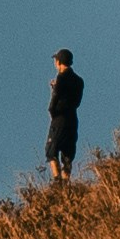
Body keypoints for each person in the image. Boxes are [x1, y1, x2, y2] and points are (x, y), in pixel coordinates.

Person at [46, 50, 84, 183]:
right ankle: (66, 182)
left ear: (59, 62)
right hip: (72, 118)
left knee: (51, 150)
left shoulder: (61, 78)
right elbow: (77, 102)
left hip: (60, 118)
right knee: (68, 154)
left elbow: (55, 100)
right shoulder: (79, 81)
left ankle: (57, 182)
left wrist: (52, 112)